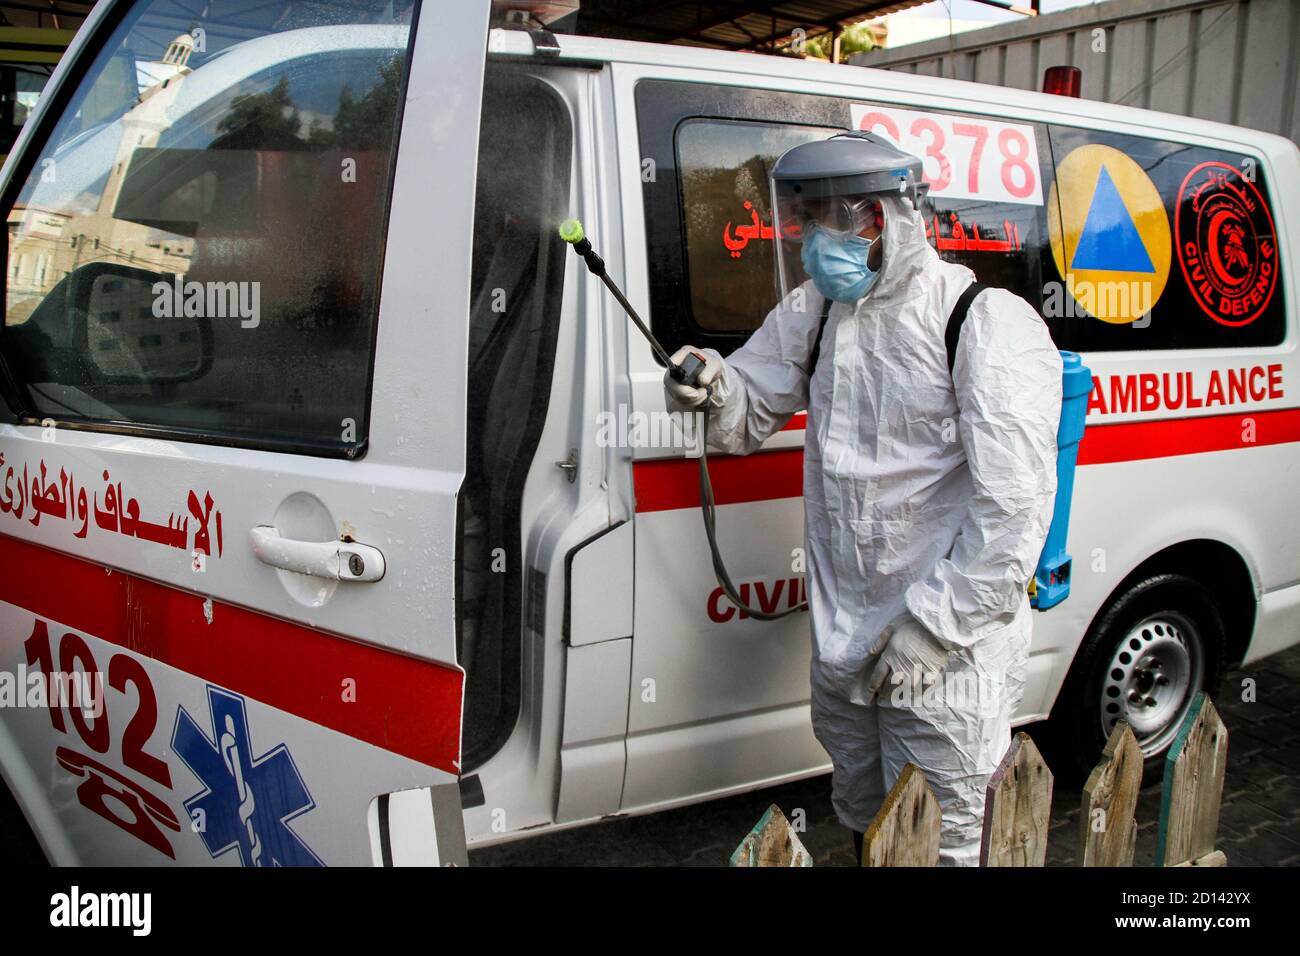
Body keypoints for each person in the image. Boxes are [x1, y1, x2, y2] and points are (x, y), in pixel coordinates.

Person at [663, 131, 1062, 866]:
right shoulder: (817, 311)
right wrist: (712, 385)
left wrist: (934, 628)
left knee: (941, 837)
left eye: (832, 219)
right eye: (805, 218)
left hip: (948, 655)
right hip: (846, 640)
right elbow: (748, 410)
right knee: (863, 815)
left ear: (889, 218)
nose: (814, 239)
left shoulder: (981, 323)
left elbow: (1014, 509)